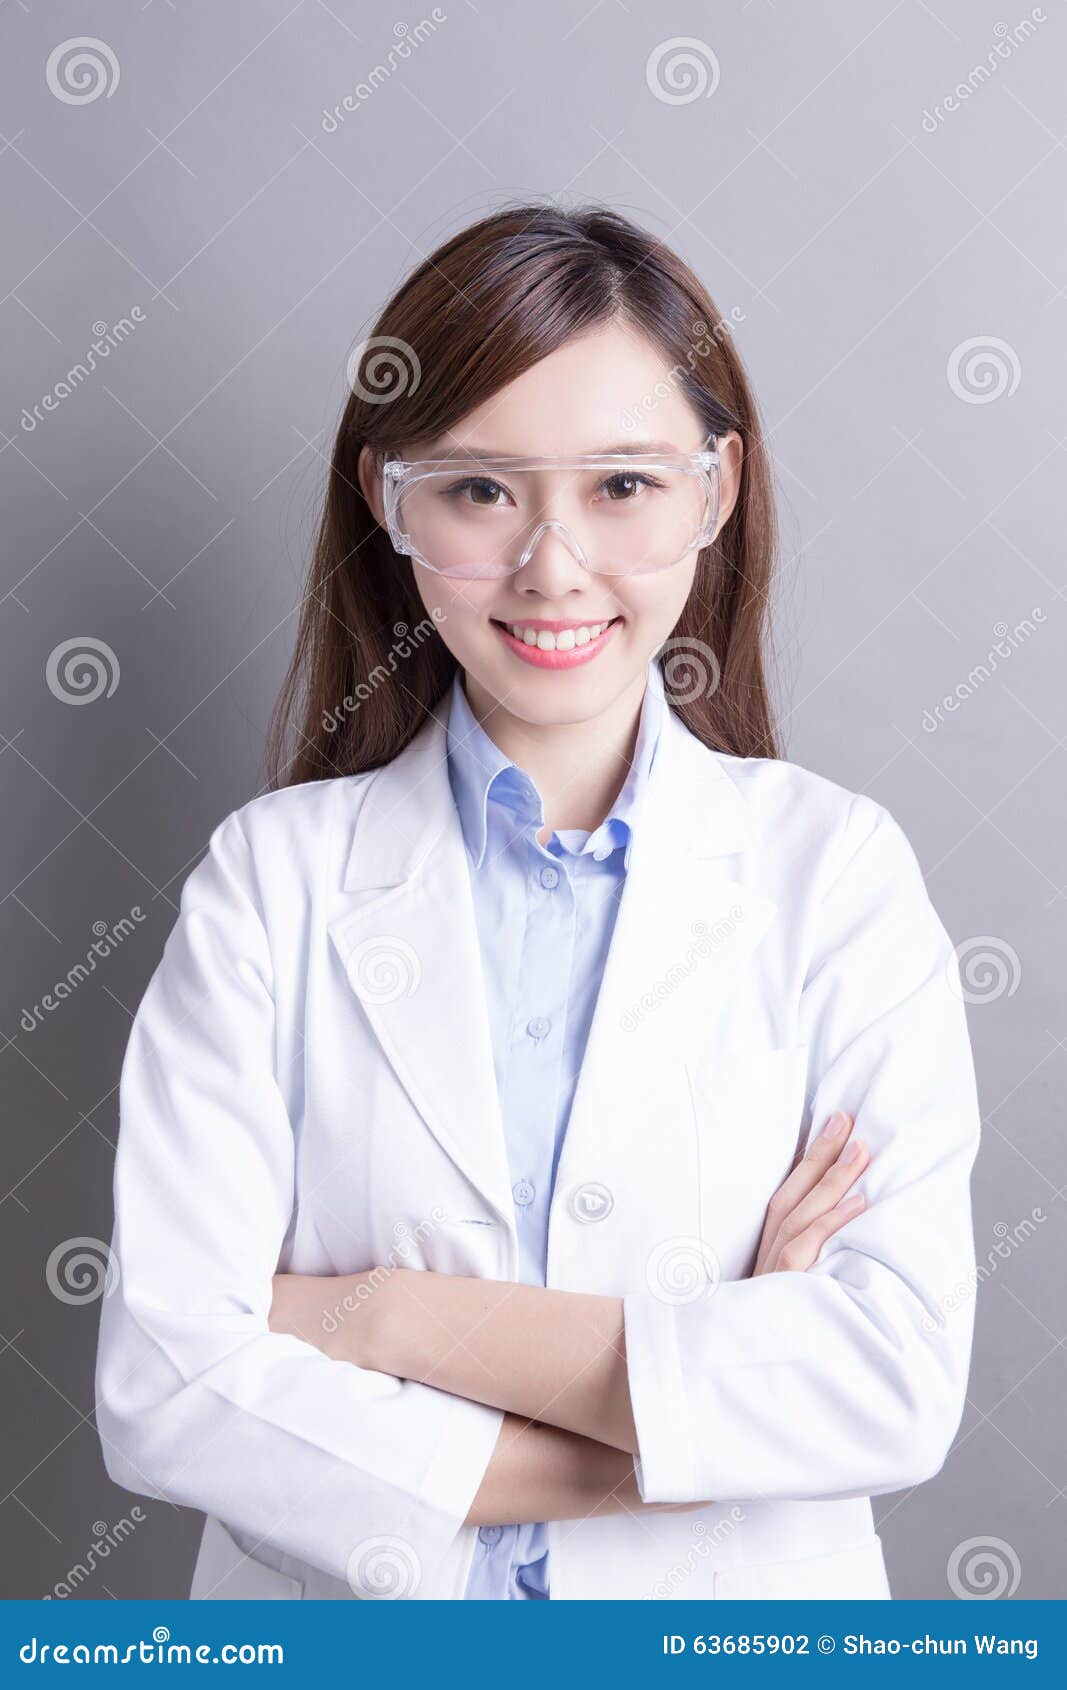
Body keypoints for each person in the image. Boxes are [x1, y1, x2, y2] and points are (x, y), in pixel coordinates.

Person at [94, 205, 981, 1602]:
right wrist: (706, 1387)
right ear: (391, 499)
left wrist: (376, 1317)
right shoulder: (272, 883)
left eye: (623, 485)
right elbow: (164, 1383)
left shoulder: (836, 878)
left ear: (715, 489)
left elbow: (890, 1381)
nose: (554, 566)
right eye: (482, 491)